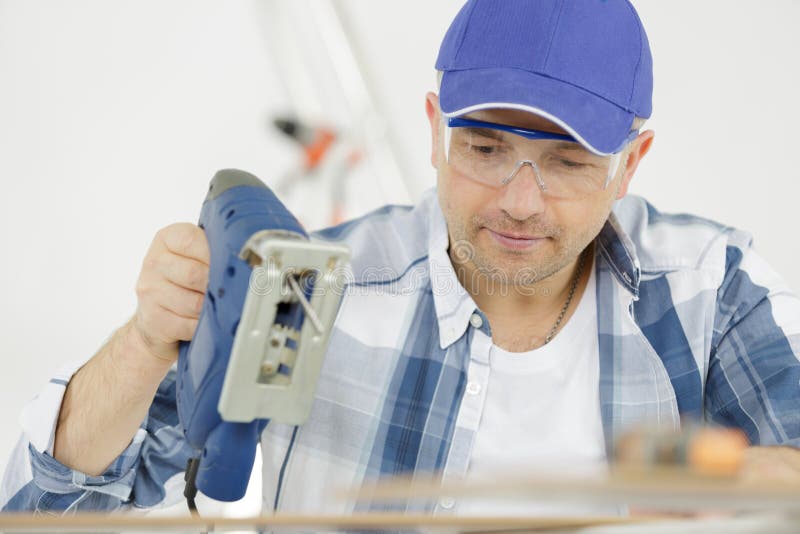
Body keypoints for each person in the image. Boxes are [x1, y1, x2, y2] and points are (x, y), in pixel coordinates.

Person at [3, 0, 800, 516]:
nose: (520, 201)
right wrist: (145, 343)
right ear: (432, 130)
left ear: (632, 161)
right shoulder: (310, 291)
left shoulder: (714, 291)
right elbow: (42, 510)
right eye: (485, 148)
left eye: (566, 163)